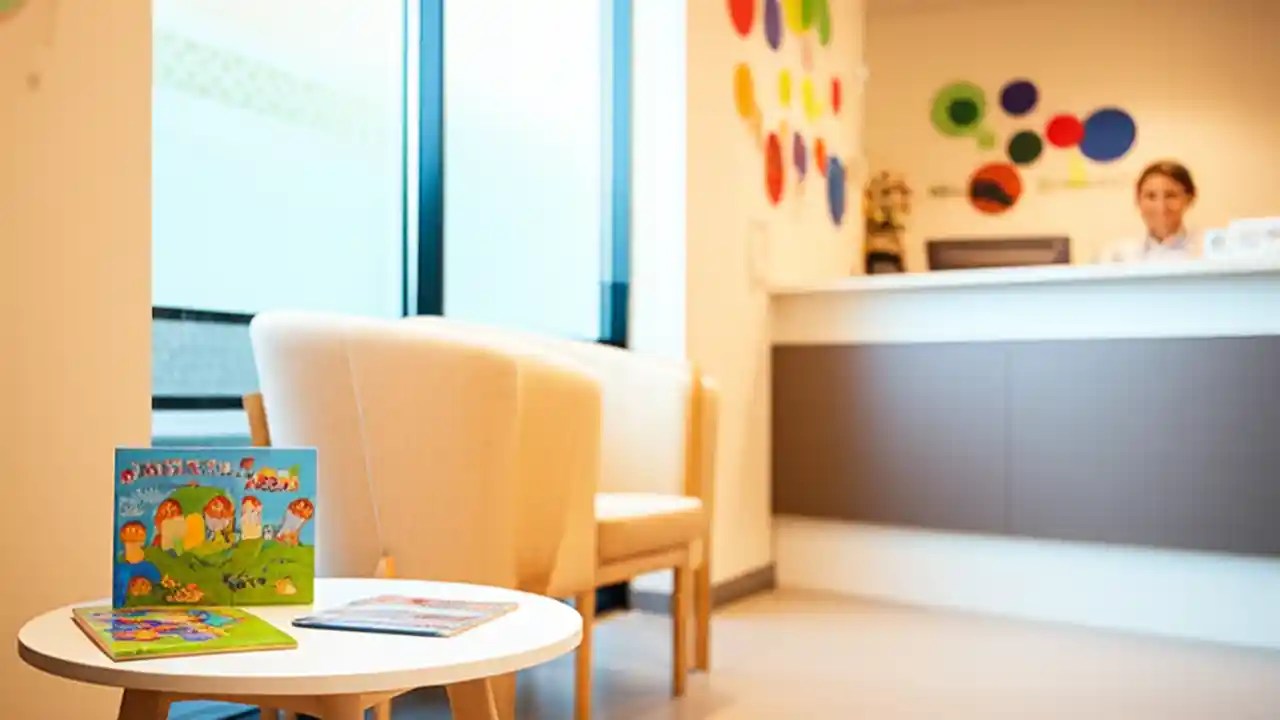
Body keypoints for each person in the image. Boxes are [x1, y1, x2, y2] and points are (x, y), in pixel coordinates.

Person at [1098, 160, 1201, 263]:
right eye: (1151, 196)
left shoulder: (1205, 252)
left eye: (1170, 196)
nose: (1161, 206)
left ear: (1189, 199)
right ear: (1138, 200)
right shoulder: (1117, 256)